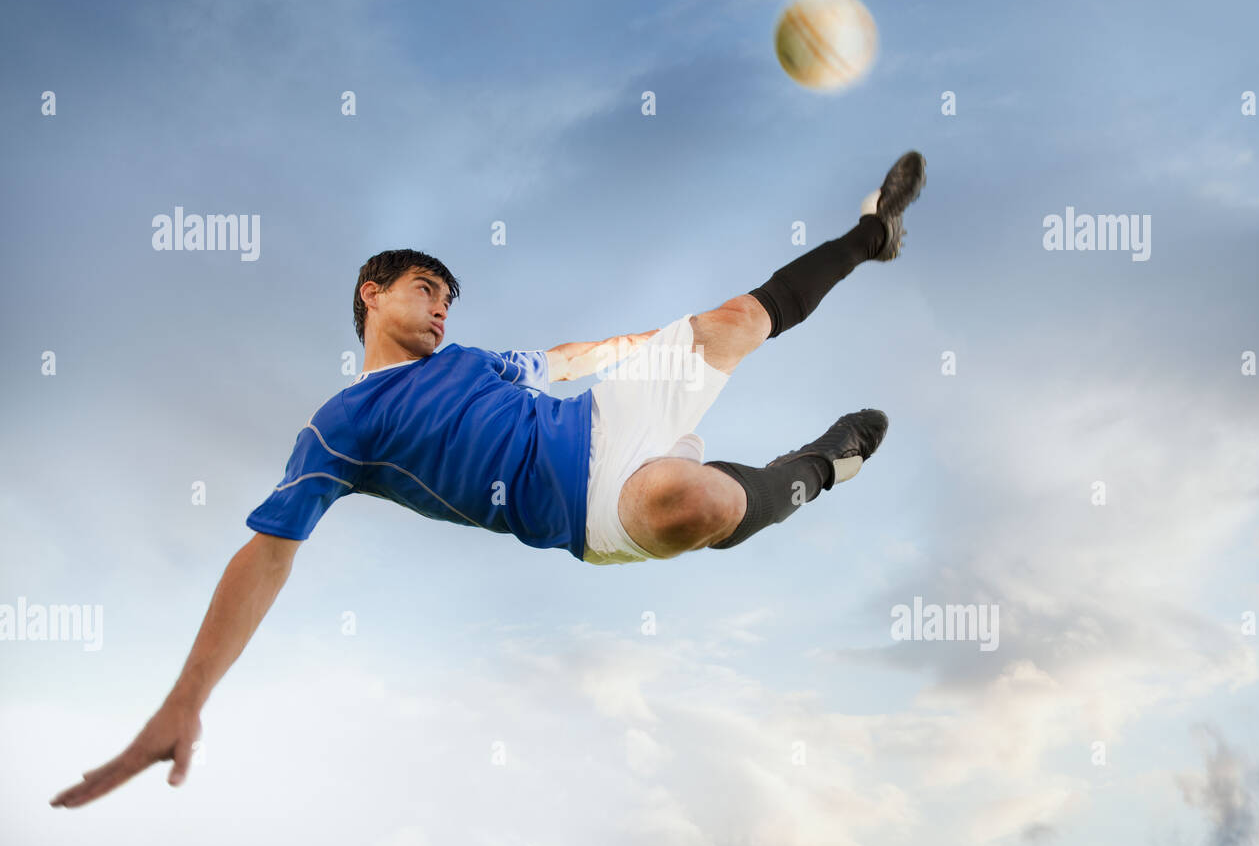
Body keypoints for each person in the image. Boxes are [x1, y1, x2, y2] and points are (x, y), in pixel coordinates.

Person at [48, 150, 925, 807]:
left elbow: (557, 359)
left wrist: (655, 345)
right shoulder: (341, 426)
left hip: (608, 414)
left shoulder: (471, 358)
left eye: (447, 299)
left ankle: (869, 234)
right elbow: (266, 555)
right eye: (424, 289)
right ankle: (824, 463)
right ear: (370, 293)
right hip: (590, 508)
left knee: (735, 319)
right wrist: (184, 700)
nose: (439, 307)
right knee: (689, 499)